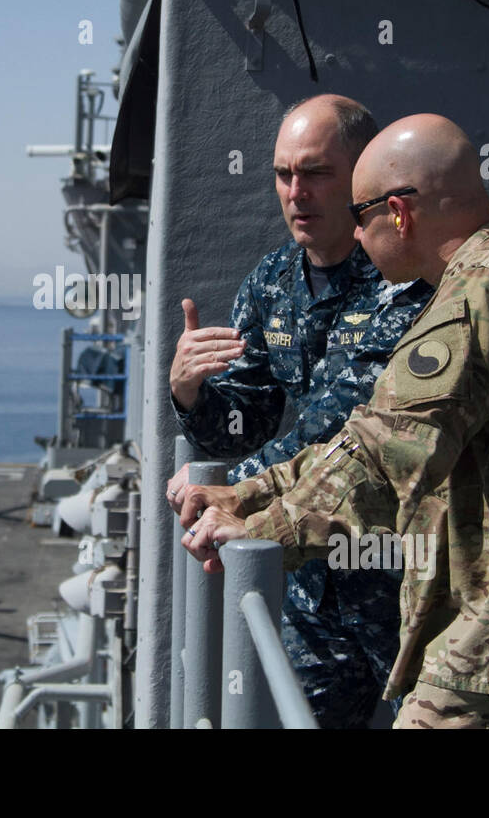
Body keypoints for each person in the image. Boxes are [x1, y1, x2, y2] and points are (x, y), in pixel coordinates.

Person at [180, 114, 489, 728]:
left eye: (362, 218)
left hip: (487, 643)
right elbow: (368, 433)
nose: (358, 240)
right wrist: (247, 491)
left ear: (399, 213)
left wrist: (266, 530)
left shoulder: (479, 288)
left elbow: (391, 451)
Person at [167, 95, 432, 727]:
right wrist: (190, 392)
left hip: (401, 579)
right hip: (314, 580)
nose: (295, 192)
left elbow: (342, 426)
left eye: (315, 173)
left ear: (363, 177)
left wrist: (233, 487)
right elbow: (250, 419)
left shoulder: (407, 280)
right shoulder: (273, 280)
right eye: (283, 174)